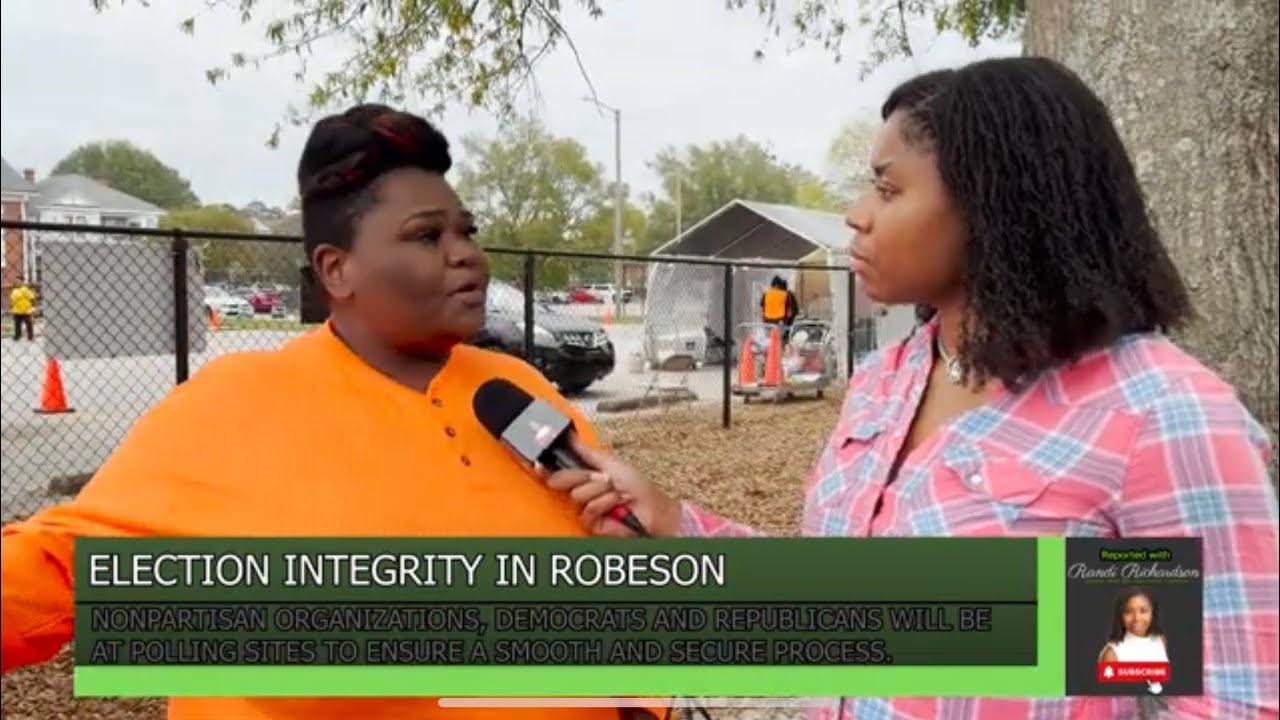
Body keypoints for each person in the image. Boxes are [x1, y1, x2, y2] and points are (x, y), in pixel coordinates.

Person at [549, 57, 1280, 719]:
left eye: (886, 188)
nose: (856, 215)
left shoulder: (1158, 414)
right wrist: (673, 524)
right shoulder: (885, 380)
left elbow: (1230, 697)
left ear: (996, 203)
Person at [0, 104, 666, 720]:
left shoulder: (517, 386)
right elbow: (58, 567)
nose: (466, 253)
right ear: (336, 270)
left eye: (467, 230)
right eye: (426, 235)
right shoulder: (236, 403)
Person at [1099, 588, 1169, 665]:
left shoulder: (1160, 639)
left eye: (1143, 611)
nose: (1136, 618)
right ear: (1120, 615)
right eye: (1128, 612)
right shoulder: (1111, 654)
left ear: (1153, 613)